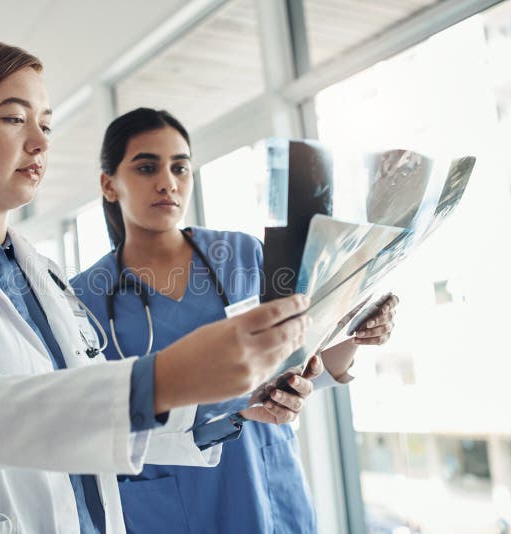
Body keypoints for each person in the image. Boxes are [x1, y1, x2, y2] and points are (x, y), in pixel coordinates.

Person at [0, 39, 313, 534]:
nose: (41, 142)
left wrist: (224, 402)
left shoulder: (44, 275)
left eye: (45, 125)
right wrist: (166, 377)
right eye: (14, 119)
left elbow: (87, 424)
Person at [70, 108, 399, 533]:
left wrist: (357, 331)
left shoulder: (243, 256)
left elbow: (300, 363)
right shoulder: (84, 299)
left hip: (268, 486)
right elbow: (93, 425)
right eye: (146, 167)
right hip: (169, 504)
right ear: (109, 184)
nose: (167, 181)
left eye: (180, 167)